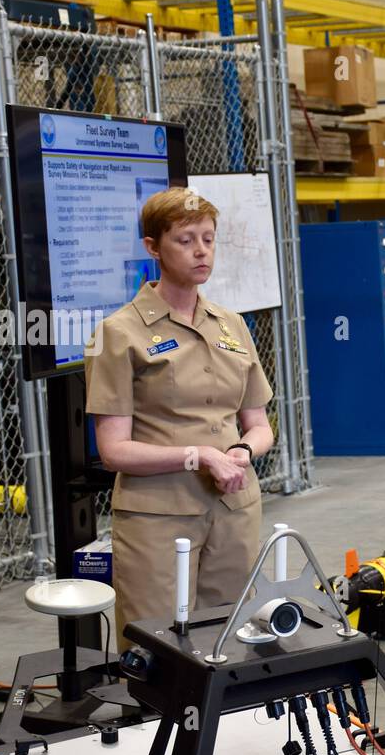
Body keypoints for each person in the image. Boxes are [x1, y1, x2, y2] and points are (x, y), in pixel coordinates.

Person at [86, 188, 275, 651]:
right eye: (186, 240)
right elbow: (114, 451)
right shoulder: (118, 333)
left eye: (208, 239)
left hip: (233, 506)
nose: (201, 251)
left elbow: (261, 424)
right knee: (158, 643)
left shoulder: (232, 325)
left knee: (230, 635)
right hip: (159, 515)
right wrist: (199, 455)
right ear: (153, 248)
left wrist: (241, 451)